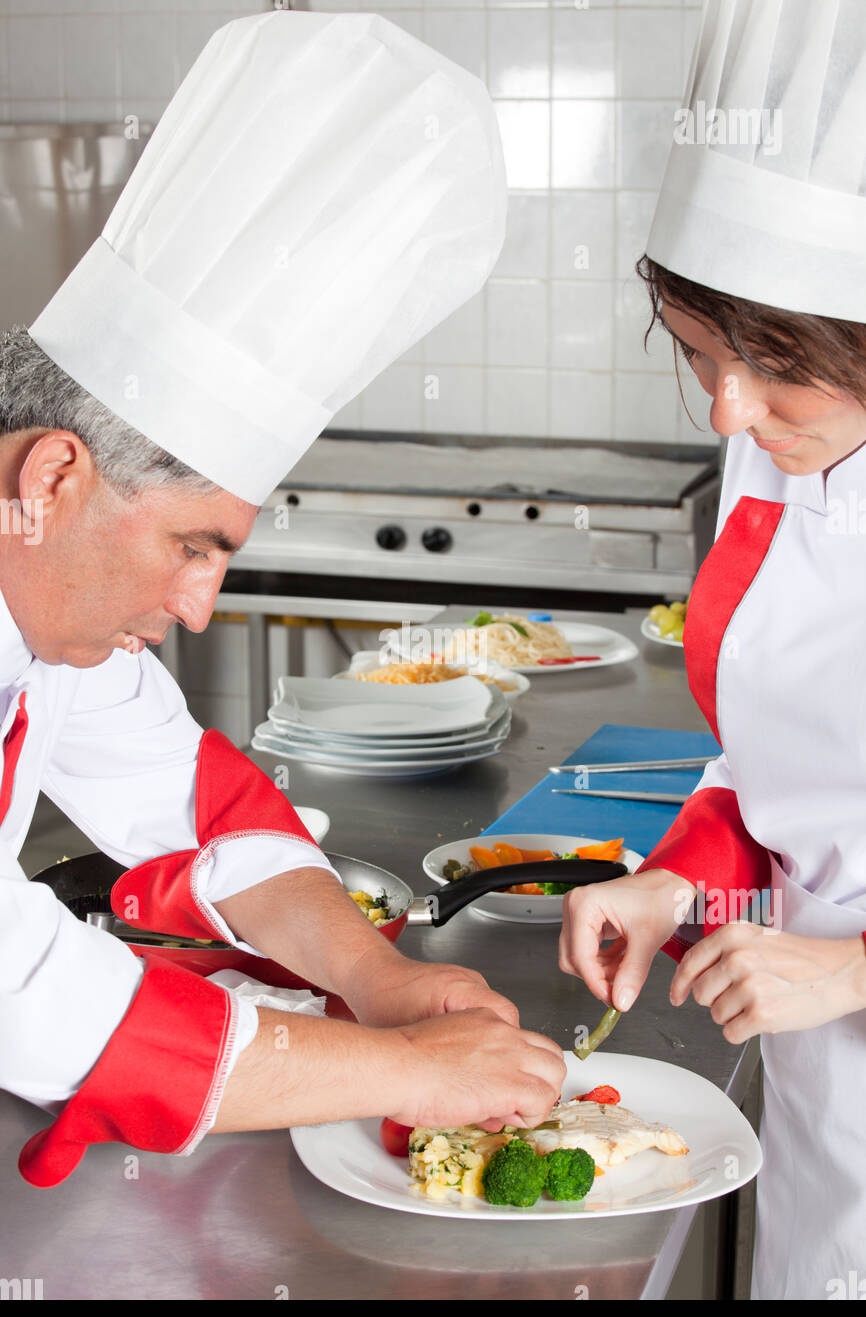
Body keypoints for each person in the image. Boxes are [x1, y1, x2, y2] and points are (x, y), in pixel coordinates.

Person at [1, 11, 565, 1189]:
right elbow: (30, 991)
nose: (201, 609)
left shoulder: (52, 627)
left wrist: (382, 980)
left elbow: (206, 808)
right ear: (52, 478)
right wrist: (410, 1073)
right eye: (191, 546)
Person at [558, 0, 866, 1299]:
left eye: (775, 368)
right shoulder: (765, 450)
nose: (727, 409)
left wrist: (851, 966)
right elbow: (779, 758)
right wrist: (681, 880)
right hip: (824, 1107)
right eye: (698, 353)